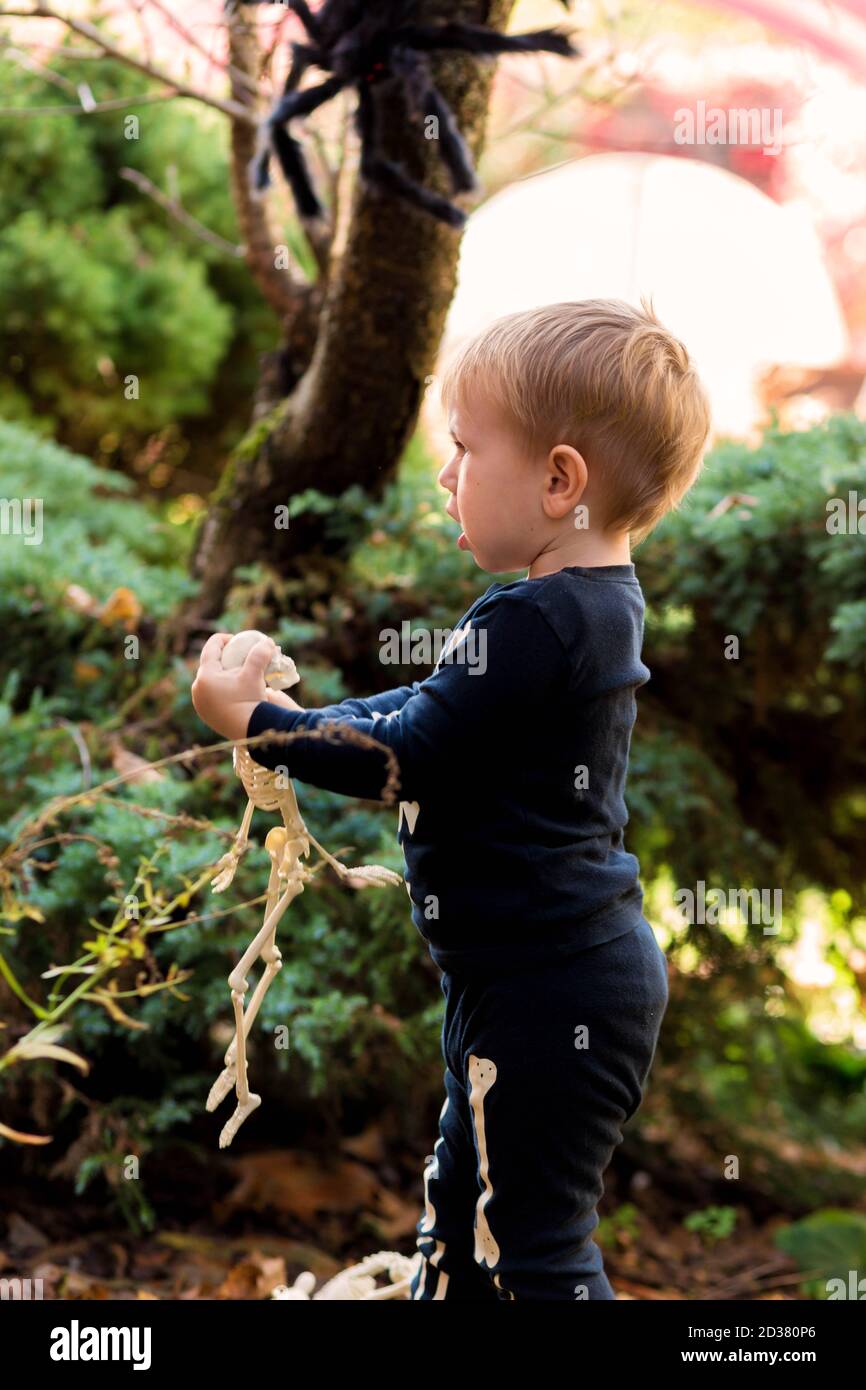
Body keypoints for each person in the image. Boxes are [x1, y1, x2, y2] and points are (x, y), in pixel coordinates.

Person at [191, 298, 711, 1300]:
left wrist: (258, 726)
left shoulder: (544, 618)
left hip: (549, 990)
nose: (443, 473)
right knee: (469, 1227)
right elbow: (430, 713)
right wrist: (293, 710)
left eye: (465, 448)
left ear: (560, 480)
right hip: (533, 979)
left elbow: (411, 754)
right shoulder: (574, 605)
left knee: (525, 1246)